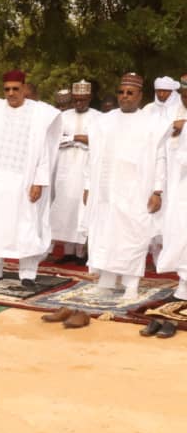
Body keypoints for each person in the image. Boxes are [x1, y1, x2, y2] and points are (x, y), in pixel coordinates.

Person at [0, 70, 62, 288]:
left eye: (16, 89)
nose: (11, 93)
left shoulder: (40, 113)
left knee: (26, 226)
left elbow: (45, 151)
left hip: (25, 180)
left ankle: (27, 273)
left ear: (24, 88)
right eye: (7, 89)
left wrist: (39, 181)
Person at [82, 73, 167, 300]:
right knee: (105, 235)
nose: (124, 97)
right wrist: (88, 185)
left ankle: (131, 285)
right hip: (106, 191)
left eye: (130, 93)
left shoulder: (152, 123)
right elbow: (93, 157)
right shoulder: (103, 121)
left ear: (140, 96)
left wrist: (157, 190)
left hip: (136, 191)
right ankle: (106, 282)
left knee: (133, 236)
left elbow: (160, 158)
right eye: (121, 92)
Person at [50, 80, 96, 263]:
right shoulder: (62, 116)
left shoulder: (98, 117)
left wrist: (72, 139)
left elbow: (97, 141)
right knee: (65, 207)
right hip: (65, 166)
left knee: (81, 208)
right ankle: (67, 252)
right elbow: (55, 139)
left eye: (83, 100)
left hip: (86, 166)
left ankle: (80, 252)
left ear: (89, 98)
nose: (79, 104)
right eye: (76, 100)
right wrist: (79, 138)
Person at [156, 74, 187, 303]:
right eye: (184, 96)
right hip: (178, 185)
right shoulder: (172, 114)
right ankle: (183, 288)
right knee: (179, 234)